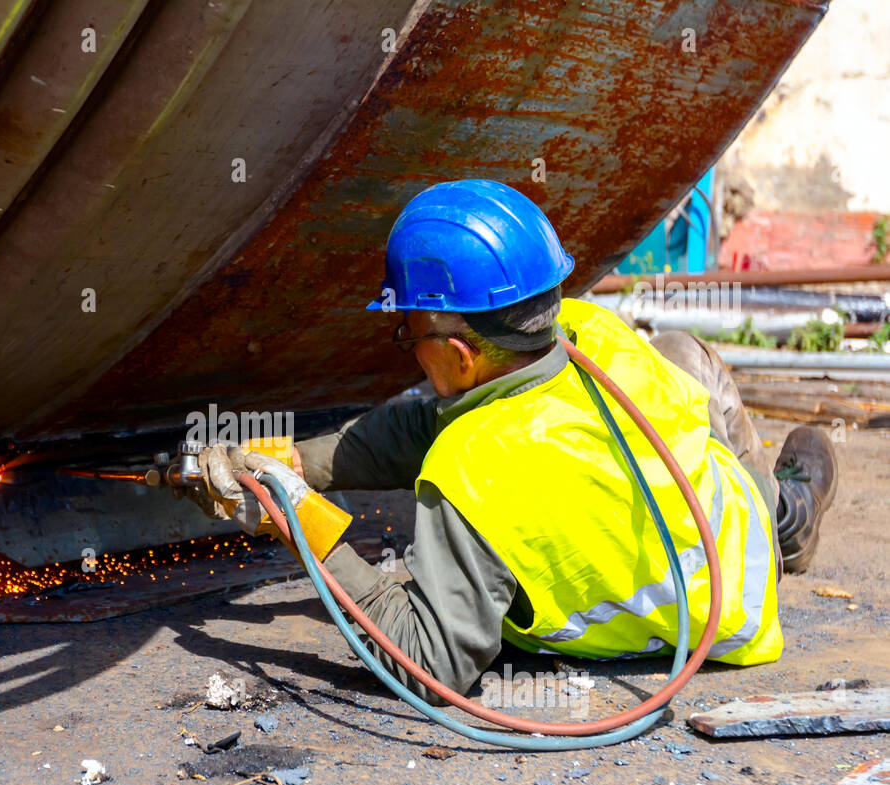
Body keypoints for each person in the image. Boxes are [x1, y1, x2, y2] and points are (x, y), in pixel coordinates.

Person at [192, 180, 838, 704]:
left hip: (725, 617)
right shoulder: (592, 333)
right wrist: (297, 461)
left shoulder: (477, 467)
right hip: (720, 527)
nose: (406, 352)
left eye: (407, 336)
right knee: (681, 354)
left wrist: (300, 520)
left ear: (457, 353)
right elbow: (428, 420)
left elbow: (430, 661)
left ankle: (782, 529)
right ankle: (779, 514)